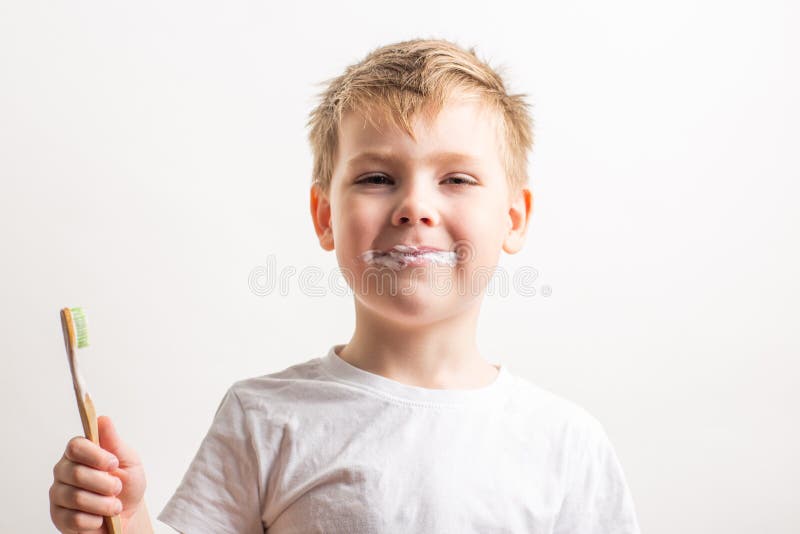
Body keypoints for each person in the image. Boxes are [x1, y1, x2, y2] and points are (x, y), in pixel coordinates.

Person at [49, 37, 641, 533]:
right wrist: (128, 518)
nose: (415, 207)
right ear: (325, 217)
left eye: (456, 178)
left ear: (514, 219)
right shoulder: (264, 419)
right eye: (378, 177)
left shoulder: (567, 445)